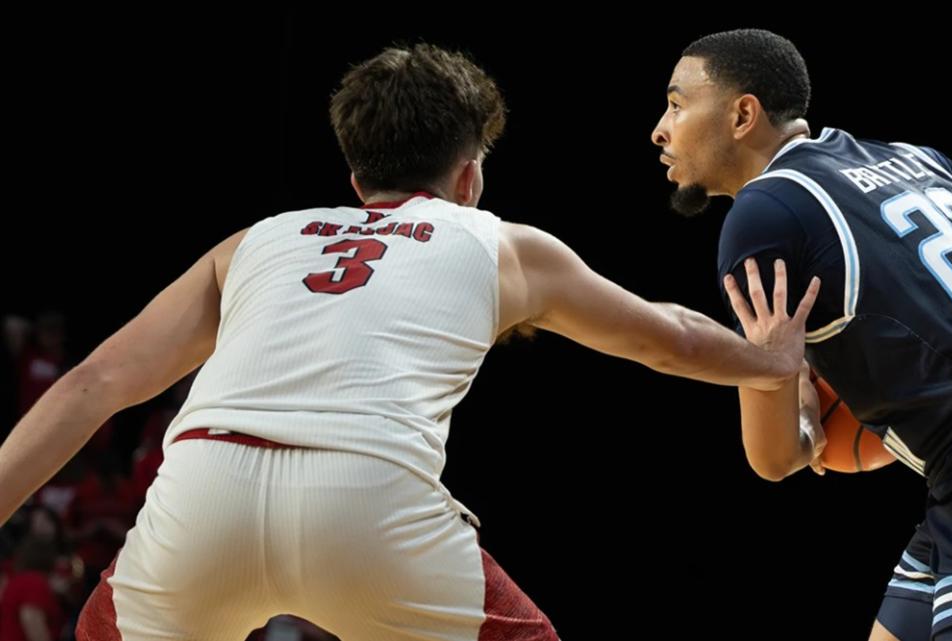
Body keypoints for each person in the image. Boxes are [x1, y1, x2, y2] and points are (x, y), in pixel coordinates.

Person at [0, 42, 818, 640]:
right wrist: (772, 357)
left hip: (203, 486)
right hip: (367, 499)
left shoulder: (253, 241)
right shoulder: (496, 240)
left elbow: (92, 384)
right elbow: (665, 337)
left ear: (356, 179)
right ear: (469, 177)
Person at [650, 28, 952, 641]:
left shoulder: (762, 216)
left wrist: (799, 401)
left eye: (676, 103)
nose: (660, 129)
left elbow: (776, 459)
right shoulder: (906, 159)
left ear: (743, 114)